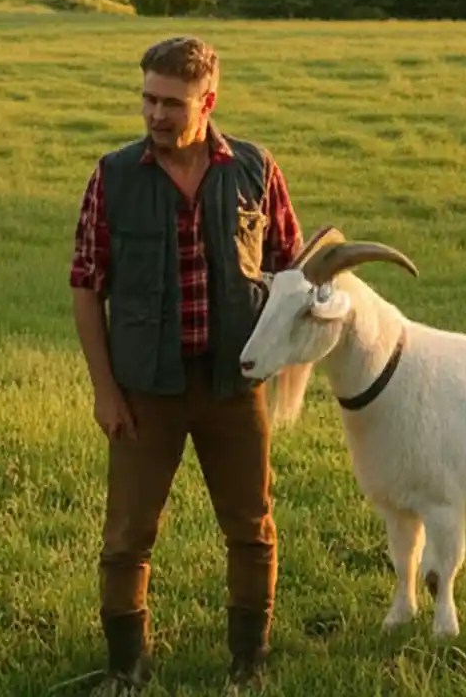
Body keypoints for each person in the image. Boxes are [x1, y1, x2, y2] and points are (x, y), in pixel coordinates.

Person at [68, 35, 304, 694]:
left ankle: (249, 662)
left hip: (233, 385)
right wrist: (105, 391)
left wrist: (282, 357)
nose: (155, 114)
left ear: (208, 102)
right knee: (127, 536)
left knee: (251, 528)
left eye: (172, 103)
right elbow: (86, 284)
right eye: (148, 99)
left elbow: (290, 269)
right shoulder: (113, 176)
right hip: (146, 389)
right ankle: (127, 668)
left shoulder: (254, 168)